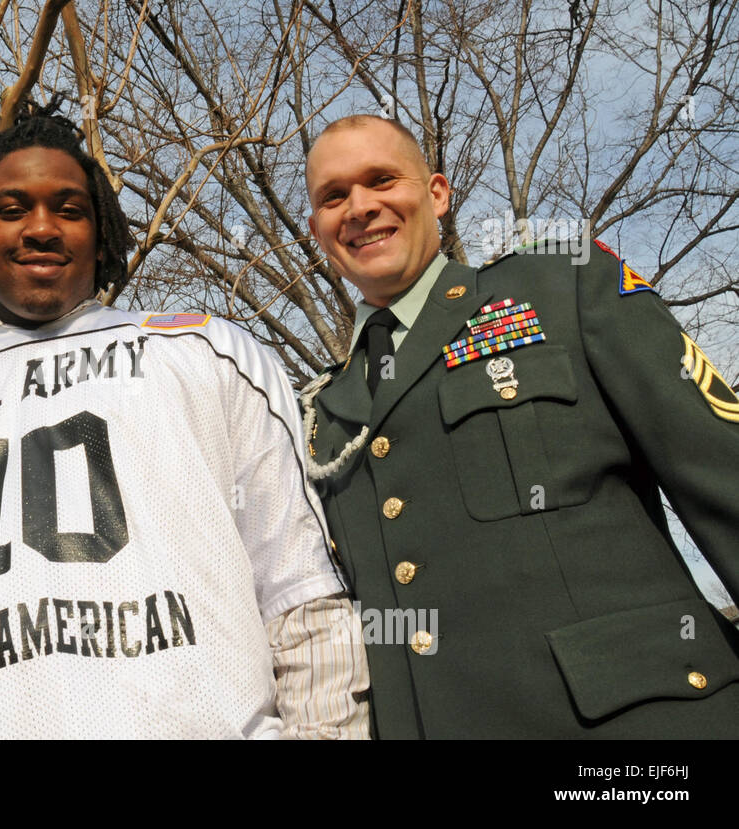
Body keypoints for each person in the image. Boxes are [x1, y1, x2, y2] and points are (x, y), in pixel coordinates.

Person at [0, 105, 370, 738]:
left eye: (70, 209)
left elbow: (300, 590)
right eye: (11, 209)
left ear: (103, 232)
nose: (41, 228)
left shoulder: (206, 354)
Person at [300, 113, 739, 738]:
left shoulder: (562, 285)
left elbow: (722, 474)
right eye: (333, 197)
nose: (360, 207)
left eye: (382, 180)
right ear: (317, 228)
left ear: (437, 194)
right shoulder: (320, 414)